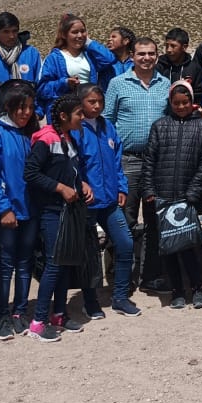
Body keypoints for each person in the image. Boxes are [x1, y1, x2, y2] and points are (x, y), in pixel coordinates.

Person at [104, 37, 171, 295]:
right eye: (141, 53)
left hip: (156, 162)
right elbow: (107, 122)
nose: (146, 58)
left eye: (151, 53)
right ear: (132, 55)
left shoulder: (164, 84)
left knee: (154, 221)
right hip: (127, 160)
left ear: (157, 56)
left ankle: (150, 276)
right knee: (124, 219)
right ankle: (122, 276)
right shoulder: (117, 84)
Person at [24, 92, 93, 341]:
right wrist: (60, 188)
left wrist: (81, 183)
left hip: (68, 211)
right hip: (51, 211)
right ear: (64, 116)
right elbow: (31, 174)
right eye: (79, 114)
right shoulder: (46, 140)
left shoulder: (69, 138)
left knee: (64, 262)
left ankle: (59, 314)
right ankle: (38, 322)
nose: (82, 118)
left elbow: (69, 170)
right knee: (54, 264)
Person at [143, 81, 202, 309]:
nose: (181, 107)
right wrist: (149, 190)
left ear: (192, 102)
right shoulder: (160, 126)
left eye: (185, 102)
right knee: (169, 247)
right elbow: (149, 161)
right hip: (163, 196)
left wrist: (194, 192)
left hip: (187, 196)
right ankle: (177, 290)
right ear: (170, 103)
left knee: (188, 245)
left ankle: (197, 288)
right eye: (176, 103)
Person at [77, 83, 138, 318]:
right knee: (89, 252)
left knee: (125, 244)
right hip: (87, 202)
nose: (97, 106)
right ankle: (90, 299)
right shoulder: (76, 129)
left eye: (100, 101)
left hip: (110, 199)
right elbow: (74, 164)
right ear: (81, 103)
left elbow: (116, 160)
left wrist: (121, 187)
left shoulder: (108, 126)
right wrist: (81, 184)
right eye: (91, 102)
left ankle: (120, 297)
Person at [0, 81, 40, 339]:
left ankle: (20, 311)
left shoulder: (32, 133)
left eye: (30, 107)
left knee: (25, 262)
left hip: (31, 209)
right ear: (8, 107)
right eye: (20, 108)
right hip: (7, 211)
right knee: (6, 264)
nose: (25, 113)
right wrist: (3, 208)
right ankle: (1, 314)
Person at [37, 13, 117, 114]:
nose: (79, 35)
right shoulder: (54, 58)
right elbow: (42, 89)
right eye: (74, 32)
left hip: (89, 110)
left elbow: (109, 59)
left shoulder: (90, 55)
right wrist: (65, 83)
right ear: (64, 35)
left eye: (82, 31)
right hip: (67, 112)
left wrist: (88, 42)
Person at [0, 12, 42, 122]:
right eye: (6, 32)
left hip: (28, 119)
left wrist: (37, 113)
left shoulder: (31, 54)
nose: (11, 36)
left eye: (14, 31)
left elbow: (41, 87)